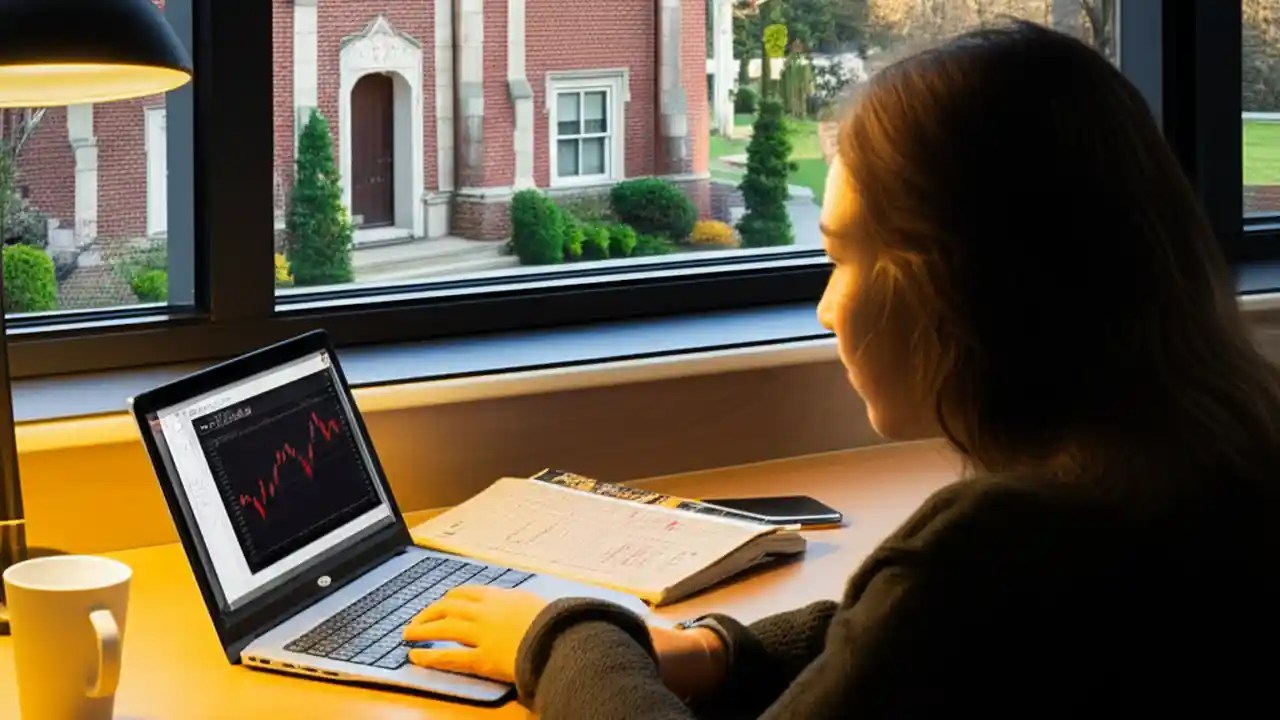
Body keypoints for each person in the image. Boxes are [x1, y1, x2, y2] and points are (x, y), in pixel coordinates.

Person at [403, 20, 1280, 717]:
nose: (826, 307)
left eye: (842, 256)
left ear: (955, 282)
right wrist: (717, 651)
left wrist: (566, 636)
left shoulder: (998, 545)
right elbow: (914, 647)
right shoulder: (1217, 454)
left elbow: (939, 613)